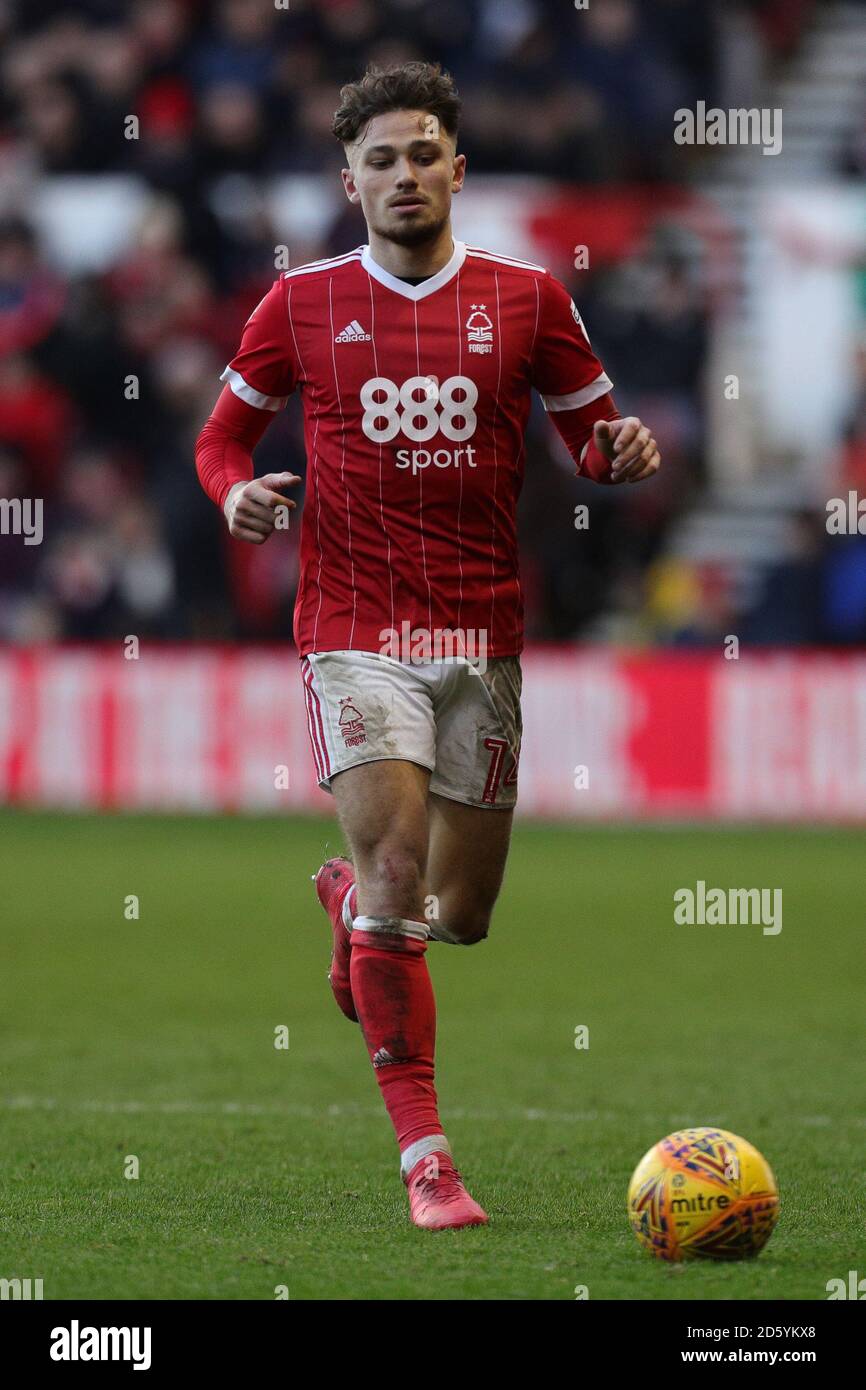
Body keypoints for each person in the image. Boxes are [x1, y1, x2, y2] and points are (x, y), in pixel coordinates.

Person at [195, 60, 660, 1231]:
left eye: (420, 153)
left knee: (457, 915)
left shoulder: (528, 299)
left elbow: (587, 442)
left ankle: (350, 903)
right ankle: (428, 1164)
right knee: (404, 879)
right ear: (347, 182)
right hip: (353, 630)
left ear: (456, 165)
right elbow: (219, 441)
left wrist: (622, 456)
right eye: (378, 159)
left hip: (482, 632)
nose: (402, 175)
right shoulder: (297, 304)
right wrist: (233, 495)